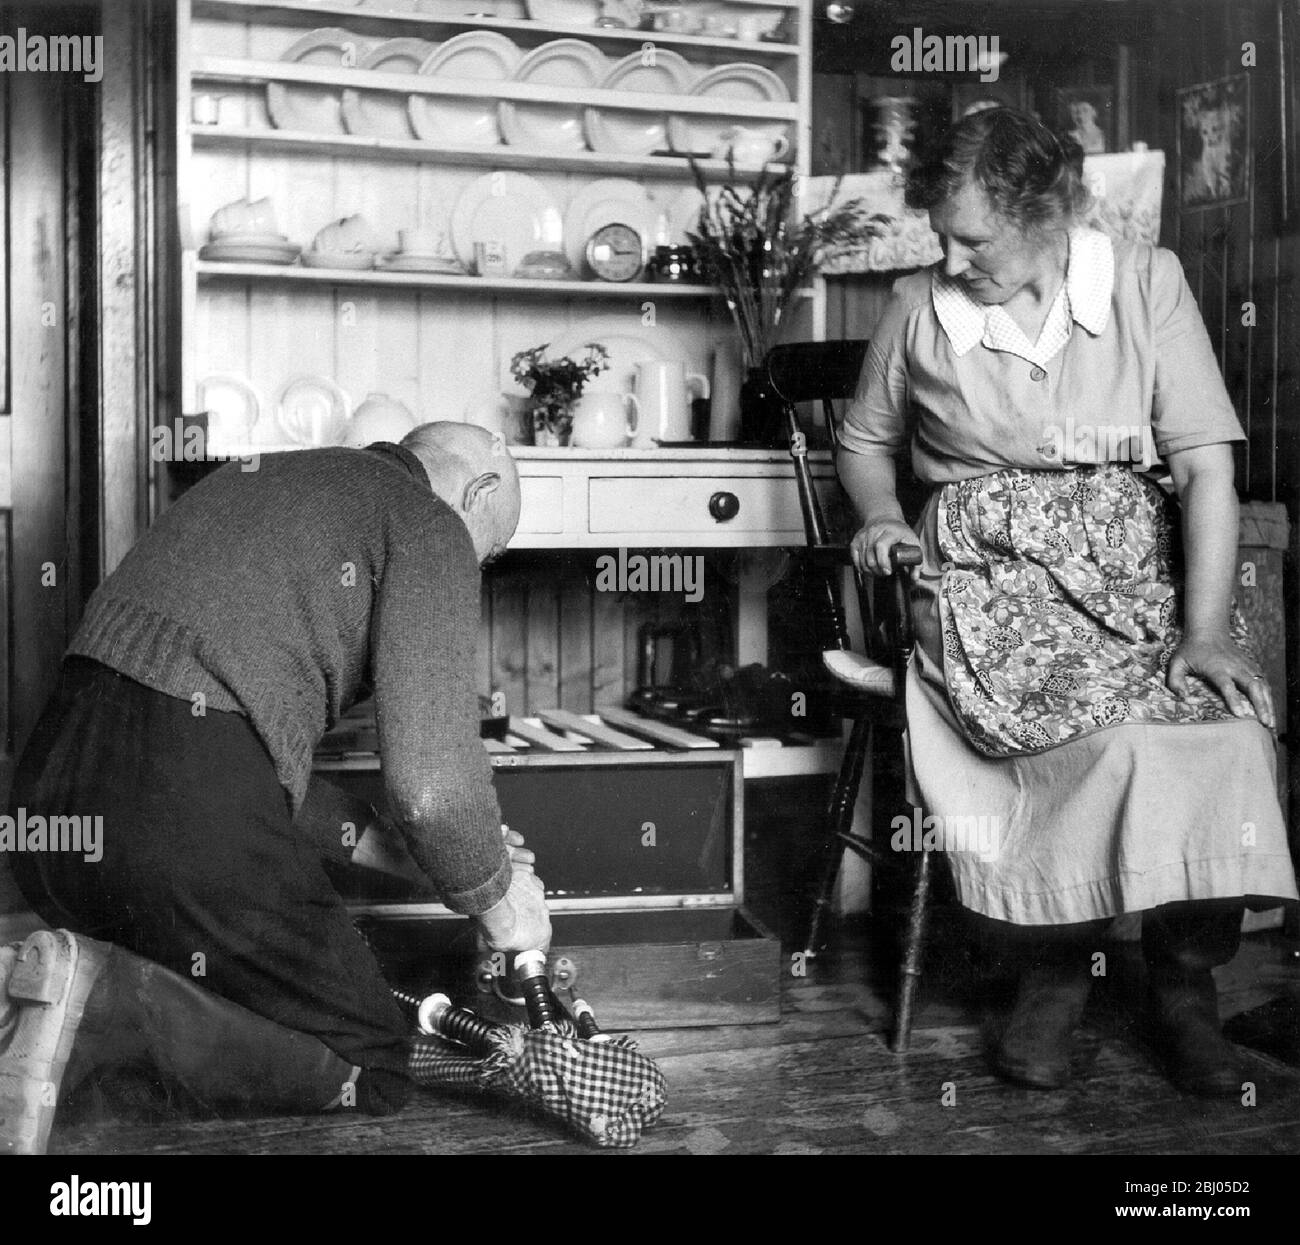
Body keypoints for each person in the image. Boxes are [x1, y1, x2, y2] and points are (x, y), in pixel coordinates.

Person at [839, 107, 1298, 1095]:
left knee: (1226, 730)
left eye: (974, 238)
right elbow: (863, 442)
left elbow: (1205, 469)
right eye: (941, 235)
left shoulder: (1145, 283)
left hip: (1132, 592)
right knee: (1098, 740)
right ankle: (1055, 973)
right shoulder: (920, 305)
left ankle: (1185, 993)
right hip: (985, 592)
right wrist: (880, 517)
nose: (952, 259)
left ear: (1049, 213)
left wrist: (1206, 631)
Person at [0, 422, 549, 1154]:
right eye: (495, 549)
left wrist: (413, 858)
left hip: (51, 812)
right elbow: (434, 790)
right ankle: (103, 1002)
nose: (480, 563)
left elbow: (237, 768)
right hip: (175, 816)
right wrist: (495, 895)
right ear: (479, 490)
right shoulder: (429, 520)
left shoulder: (267, 478)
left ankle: (52, 1003)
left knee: (218, 979)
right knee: (371, 1057)